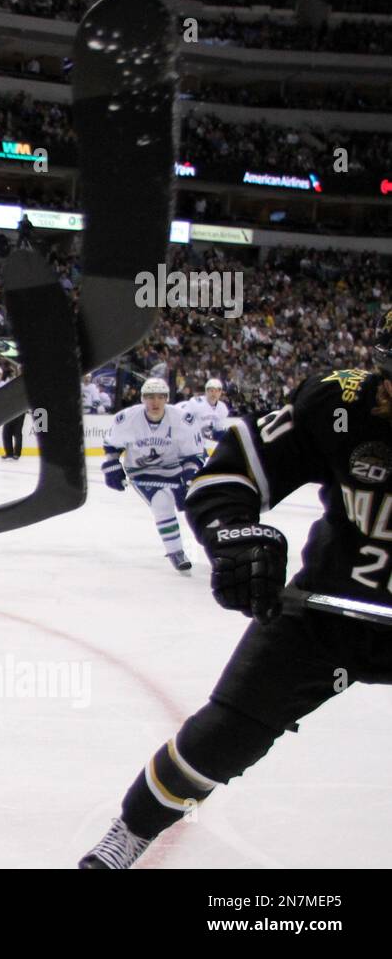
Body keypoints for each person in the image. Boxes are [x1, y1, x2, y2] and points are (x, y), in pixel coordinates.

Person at [80, 349, 392, 868]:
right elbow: (229, 476)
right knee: (226, 733)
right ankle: (131, 832)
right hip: (327, 616)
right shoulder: (341, 404)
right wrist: (235, 537)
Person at [101, 377, 207, 572]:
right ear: (142, 398)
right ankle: (175, 551)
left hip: (175, 470)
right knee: (162, 503)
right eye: (150, 396)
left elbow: (195, 453)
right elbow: (112, 445)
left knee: (197, 506)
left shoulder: (182, 419)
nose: (155, 402)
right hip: (143, 472)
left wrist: (190, 475)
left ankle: (214, 547)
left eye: (160, 396)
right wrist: (112, 465)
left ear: (167, 398)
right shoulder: (127, 419)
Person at [177, 377, 230, 442]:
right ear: (206, 391)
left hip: (208, 437)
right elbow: (183, 422)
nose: (214, 394)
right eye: (211, 391)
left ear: (220, 392)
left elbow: (218, 429)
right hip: (193, 437)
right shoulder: (196, 403)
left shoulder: (222, 407)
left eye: (217, 391)